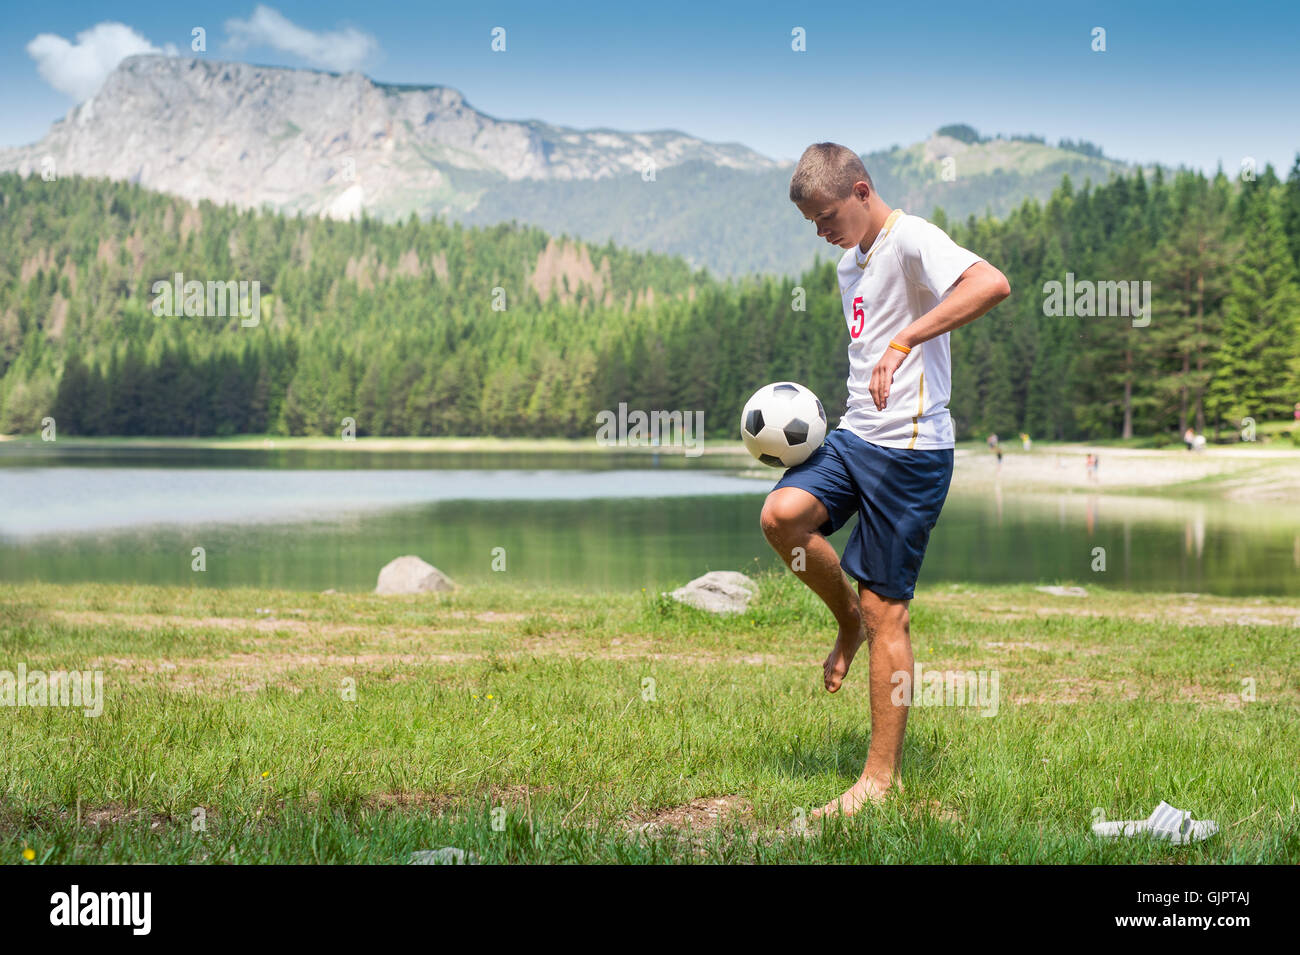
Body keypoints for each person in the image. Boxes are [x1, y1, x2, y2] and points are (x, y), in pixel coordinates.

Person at [759, 142, 1011, 819]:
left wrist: (907, 342)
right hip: (854, 436)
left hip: (910, 452)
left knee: (888, 610)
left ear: (863, 190)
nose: (821, 231)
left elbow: (990, 283)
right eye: (811, 222)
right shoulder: (851, 264)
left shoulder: (910, 239)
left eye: (827, 214)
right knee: (782, 516)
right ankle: (846, 622)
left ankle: (879, 780)